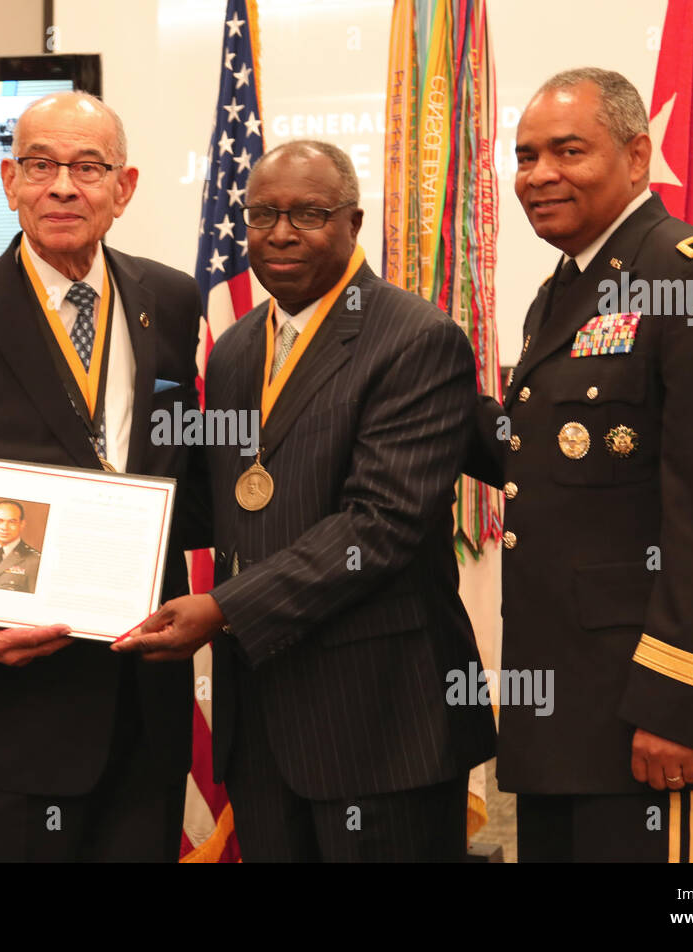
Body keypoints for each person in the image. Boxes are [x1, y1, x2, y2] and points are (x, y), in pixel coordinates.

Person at [115, 140, 496, 862]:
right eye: (262, 215)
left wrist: (224, 607)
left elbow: (378, 526)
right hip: (260, 722)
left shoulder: (415, 339)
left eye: (308, 214)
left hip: (382, 724)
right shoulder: (234, 351)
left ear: (353, 221)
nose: (281, 234)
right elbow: (223, 503)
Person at [465, 68, 693, 862]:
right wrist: (427, 391)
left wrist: (679, 701)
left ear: (637, 153)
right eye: (525, 156)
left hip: (654, 721)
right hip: (571, 723)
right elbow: (544, 461)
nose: (538, 175)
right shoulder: (564, 290)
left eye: (568, 150)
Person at [0, 92, 206, 862]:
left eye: (88, 166)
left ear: (126, 187)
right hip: (7, 721)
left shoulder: (172, 301)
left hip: (143, 710)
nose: (62, 187)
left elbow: (181, 479)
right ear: (12, 180)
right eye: (41, 165)